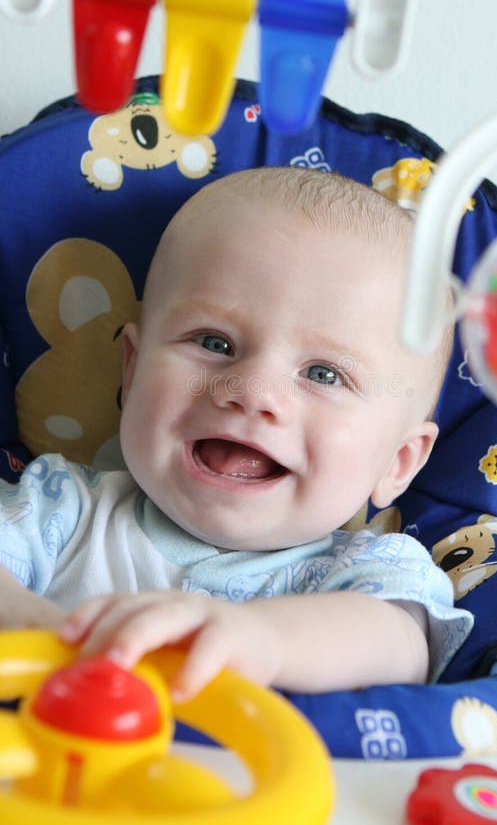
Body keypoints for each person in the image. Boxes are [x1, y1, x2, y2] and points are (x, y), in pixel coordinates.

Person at [0, 167, 472, 700]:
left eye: (323, 374)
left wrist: (263, 640)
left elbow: (398, 648)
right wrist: (44, 632)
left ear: (398, 461)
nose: (252, 392)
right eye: (214, 343)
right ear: (132, 372)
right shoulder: (59, 509)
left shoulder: (366, 575)